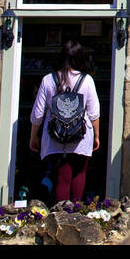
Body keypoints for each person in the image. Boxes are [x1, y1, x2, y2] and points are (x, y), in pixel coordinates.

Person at [29, 40, 101, 202]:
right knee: (79, 173)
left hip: (55, 135)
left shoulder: (48, 80)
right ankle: (75, 212)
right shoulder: (87, 80)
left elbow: (38, 113)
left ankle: (63, 215)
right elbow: (94, 113)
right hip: (80, 136)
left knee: (62, 176)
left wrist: (34, 136)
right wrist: (96, 135)